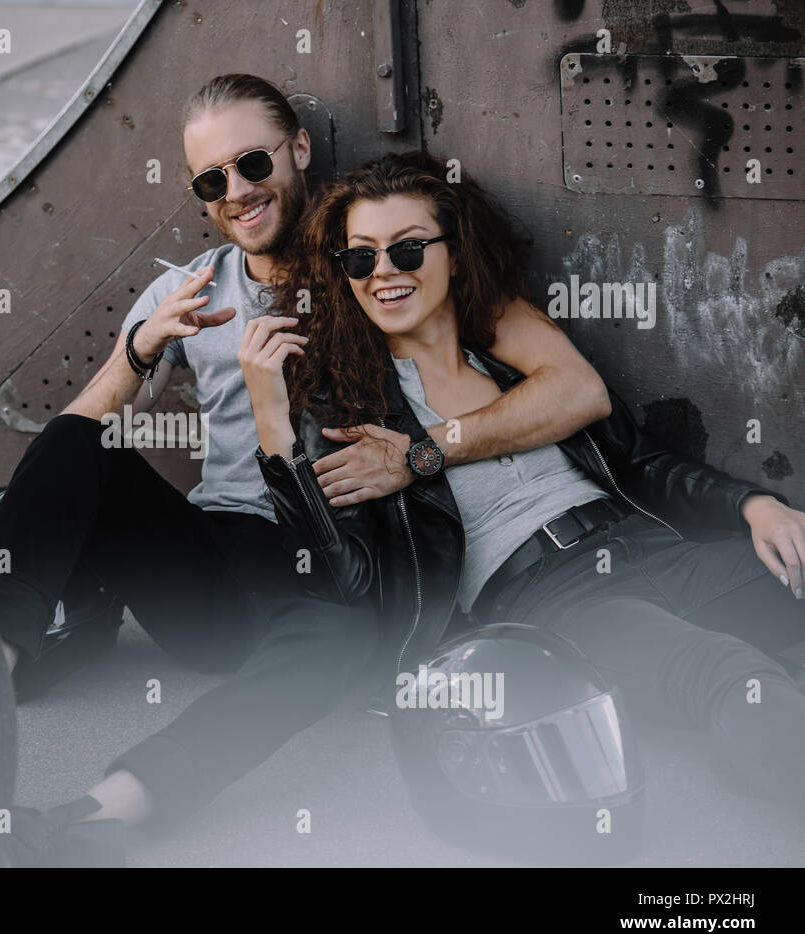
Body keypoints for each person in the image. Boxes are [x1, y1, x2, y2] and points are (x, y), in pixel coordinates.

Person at [0, 76, 615, 864]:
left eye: (253, 164)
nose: (237, 193)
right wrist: (139, 350)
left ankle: (97, 815)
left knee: (340, 638)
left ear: (299, 149)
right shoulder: (190, 291)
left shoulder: (371, 267)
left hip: (333, 561)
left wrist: (423, 450)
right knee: (80, 442)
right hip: (214, 566)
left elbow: (577, 387)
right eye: (213, 181)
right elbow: (81, 442)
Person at [245, 150, 805, 814]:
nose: (384, 273)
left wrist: (753, 504)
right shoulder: (350, 411)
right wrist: (272, 423)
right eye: (360, 257)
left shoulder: (511, 356)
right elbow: (350, 585)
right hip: (553, 600)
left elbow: (637, 458)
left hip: (649, 549)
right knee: (729, 675)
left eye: (408, 249)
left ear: (454, 253)